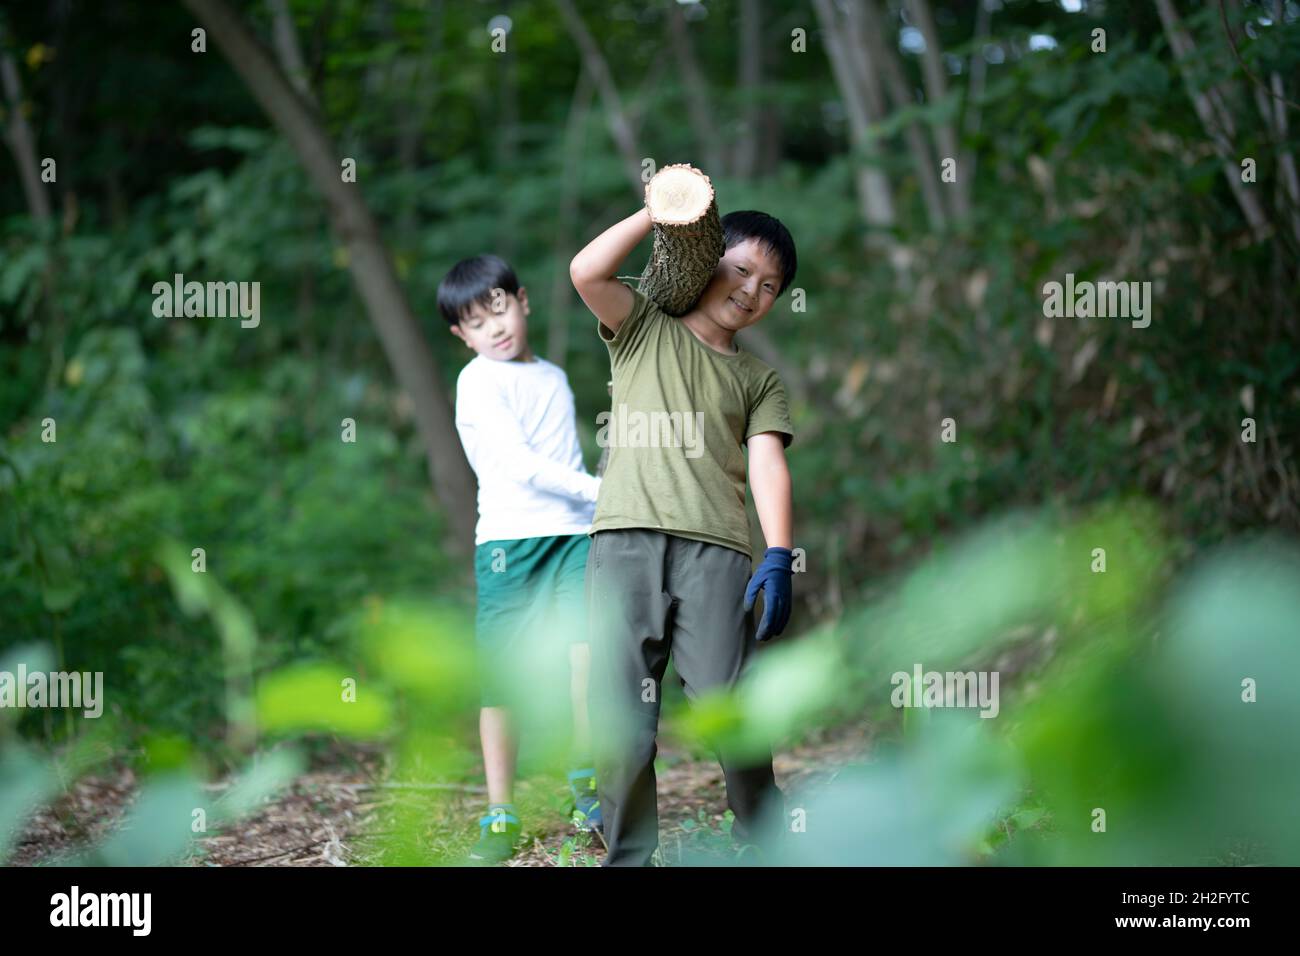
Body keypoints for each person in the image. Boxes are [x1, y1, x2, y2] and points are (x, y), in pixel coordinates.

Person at [569, 208, 798, 866]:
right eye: (743, 269)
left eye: (771, 286)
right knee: (622, 724)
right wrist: (655, 213)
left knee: (732, 713)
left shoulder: (758, 379)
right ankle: (629, 857)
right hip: (624, 547)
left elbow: (767, 464)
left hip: (717, 553)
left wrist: (778, 553)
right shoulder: (643, 325)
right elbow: (586, 271)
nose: (753, 292)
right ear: (706, 259)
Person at [438, 254, 603, 863]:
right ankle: (501, 812)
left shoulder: (554, 377)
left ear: (522, 300)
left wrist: (594, 501)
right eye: (477, 324)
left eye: (500, 309)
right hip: (509, 545)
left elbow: (565, 458)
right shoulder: (478, 382)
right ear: (462, 335)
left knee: (590, 655)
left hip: (575, 537)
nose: (495, 328)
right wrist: (599, 491)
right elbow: (520, 466)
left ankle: (588, 782)